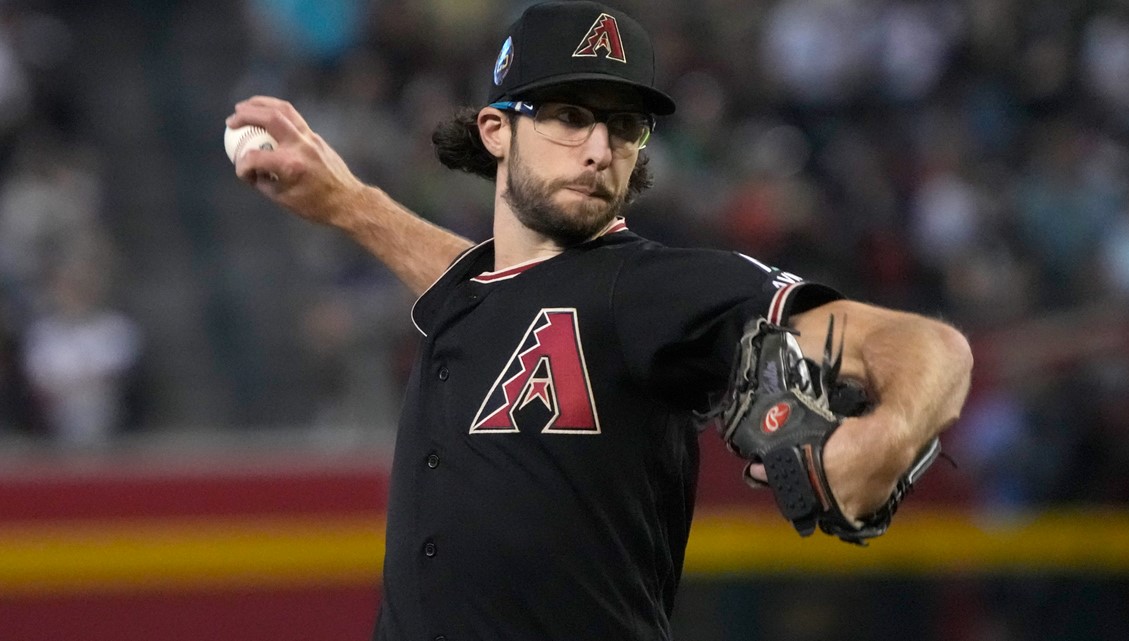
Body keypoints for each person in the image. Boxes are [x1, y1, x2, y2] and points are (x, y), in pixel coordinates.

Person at [227, 2, 973, 639]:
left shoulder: (651, 288)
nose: (598, 148)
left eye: (625, 126)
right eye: (569, 116)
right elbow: (487, 281)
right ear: (495, 130)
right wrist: (351, 204)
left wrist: (888, 432)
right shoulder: (485, 293)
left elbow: (928, 345)